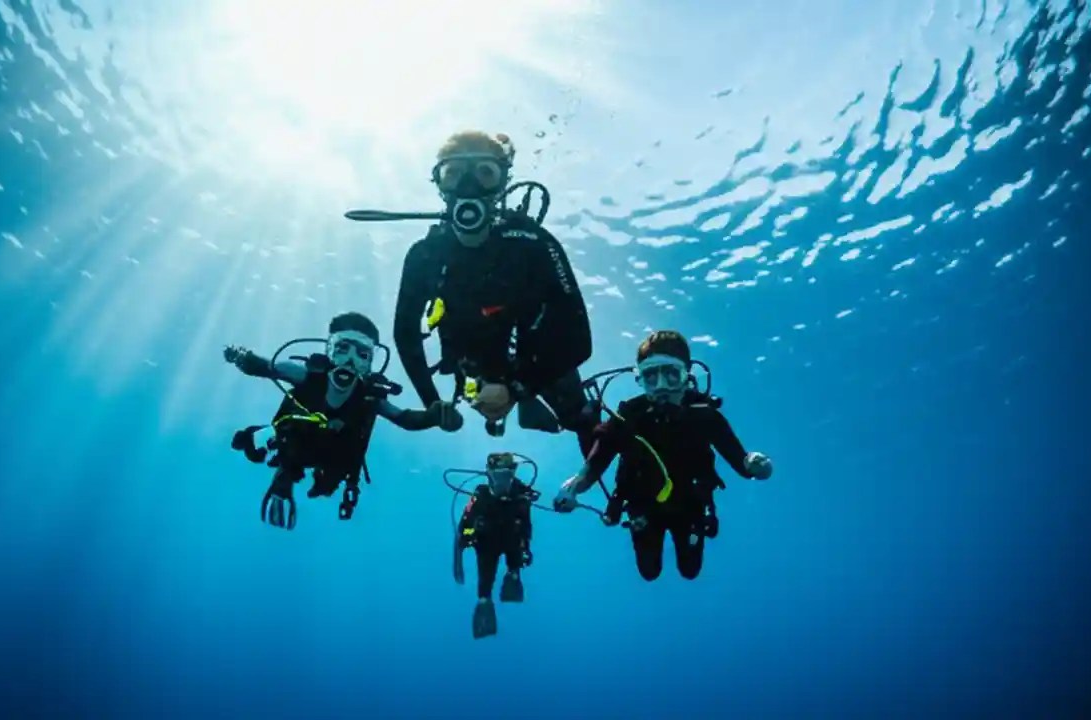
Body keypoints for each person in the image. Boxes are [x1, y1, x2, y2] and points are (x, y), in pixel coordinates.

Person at [390, 130, 597, 442]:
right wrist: (432, 401)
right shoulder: (425, 255)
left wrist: (518, 388)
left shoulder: (533, 243)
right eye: (454, 174)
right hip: (472, 366)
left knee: (581, 419)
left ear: (502, 184)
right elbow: (405, 333)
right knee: (482, 393)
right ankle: (499, 413)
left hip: (537, 358)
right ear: (440, 184)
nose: (468, 187)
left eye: (485, 173)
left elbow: (579, 339)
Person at [552, 330, 774, 581]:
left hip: (690, 507)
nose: (661, 387)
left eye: (671, 374)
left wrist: (756, 464)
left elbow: (742, 462)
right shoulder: (628, 416)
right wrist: (571, 487)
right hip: (643, 508)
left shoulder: (704, 415)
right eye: (650, 376)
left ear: (686, 376)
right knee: (649, 572)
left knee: (690, 571)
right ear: (640, 379)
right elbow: (595, 463)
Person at [226, 311, 462, 529]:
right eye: (343, 349)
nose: (350, 361)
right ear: (329, 350)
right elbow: (266, 367)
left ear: (370, 362)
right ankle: (278, 467)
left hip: (334, 456)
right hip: (294, 444)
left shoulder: (369, 397)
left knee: (330, 481)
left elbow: (405, 419)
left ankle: (295, 471)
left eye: (362, 355)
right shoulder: (308, 375)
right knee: (274, 447)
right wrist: (240, 356)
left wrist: (435, 416)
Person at [453, 452, 537, 639]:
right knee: (486, 575)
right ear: (489, 474)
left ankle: (512, 575)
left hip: (511, 540)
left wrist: (525, 548)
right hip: (487, 542)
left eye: (507, 475)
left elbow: (525, 524)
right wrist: (470, 535)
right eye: (498, 475)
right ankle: (485, 599)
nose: (503, 481)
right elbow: (465, 526)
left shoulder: (520, 493)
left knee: (513, 559)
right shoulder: (480, 494)